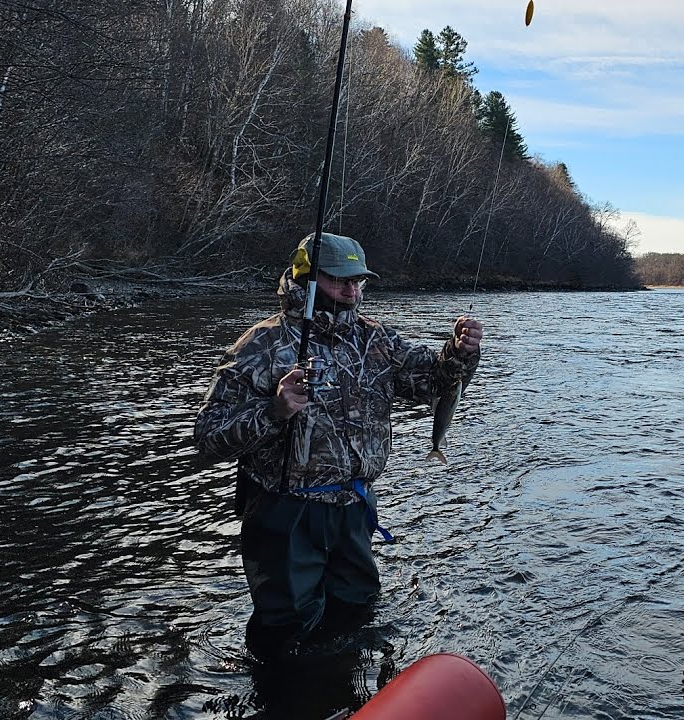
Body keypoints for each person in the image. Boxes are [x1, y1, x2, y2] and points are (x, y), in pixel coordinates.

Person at [193, 232, 482, 659]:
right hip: (283, 514)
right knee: (286, 630)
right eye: (338, 280)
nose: (351, 291)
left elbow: (431, 381)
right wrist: (274, 410)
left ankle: (345, 695)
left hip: (354, 510)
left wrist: (459, 352)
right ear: (305, 278)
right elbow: (207, 438)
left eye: (358, 281)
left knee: (355, 613)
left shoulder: (376, 340)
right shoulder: (259, 345)